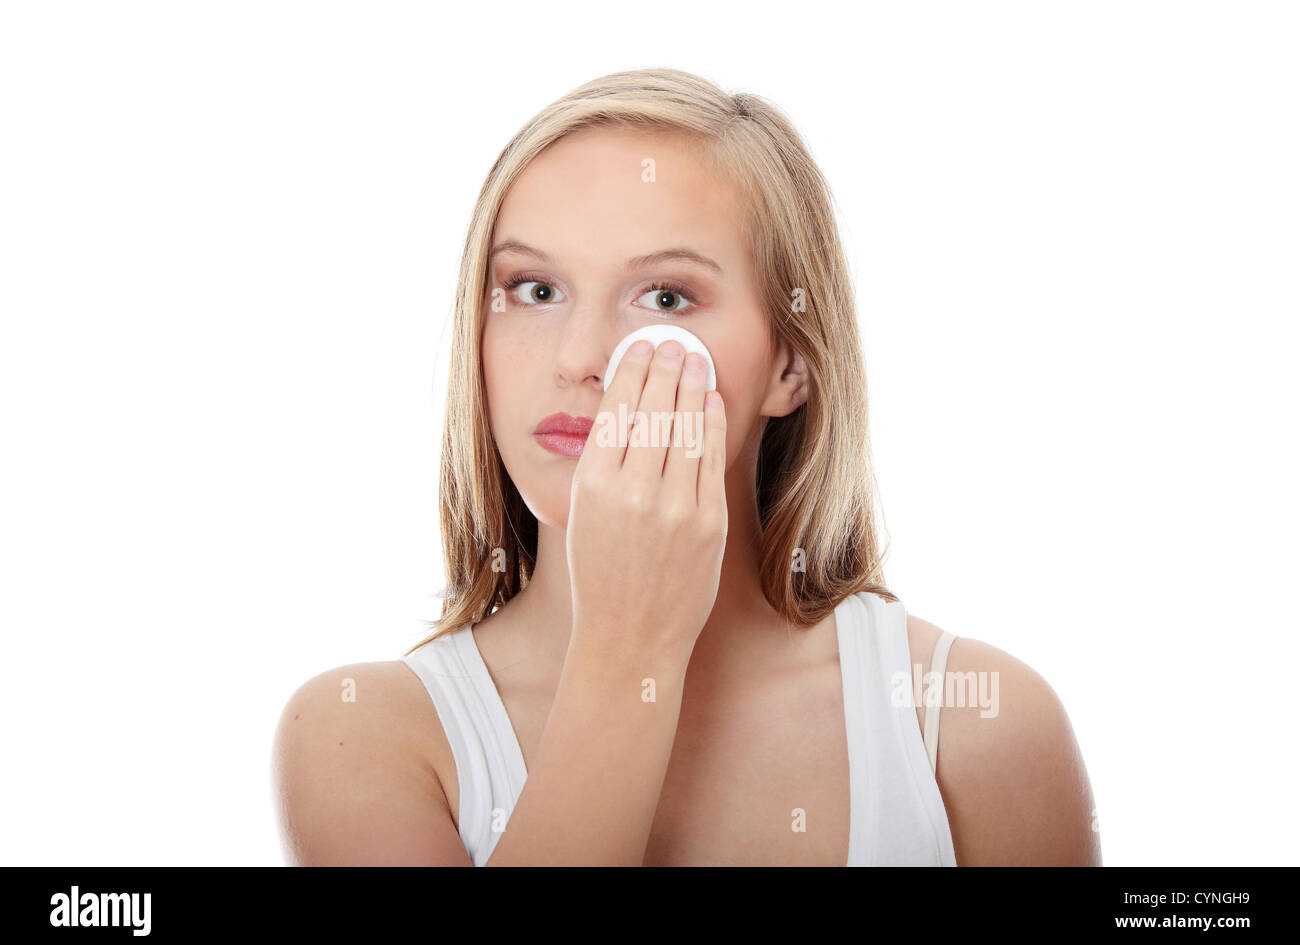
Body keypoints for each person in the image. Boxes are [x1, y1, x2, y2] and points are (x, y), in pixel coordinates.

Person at [271, 68, 1101, 866]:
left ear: (791, 365)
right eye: (533, 289)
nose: (580, 358)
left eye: (664, 297)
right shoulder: (365, 737)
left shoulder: (973, 726)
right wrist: (630, 649)